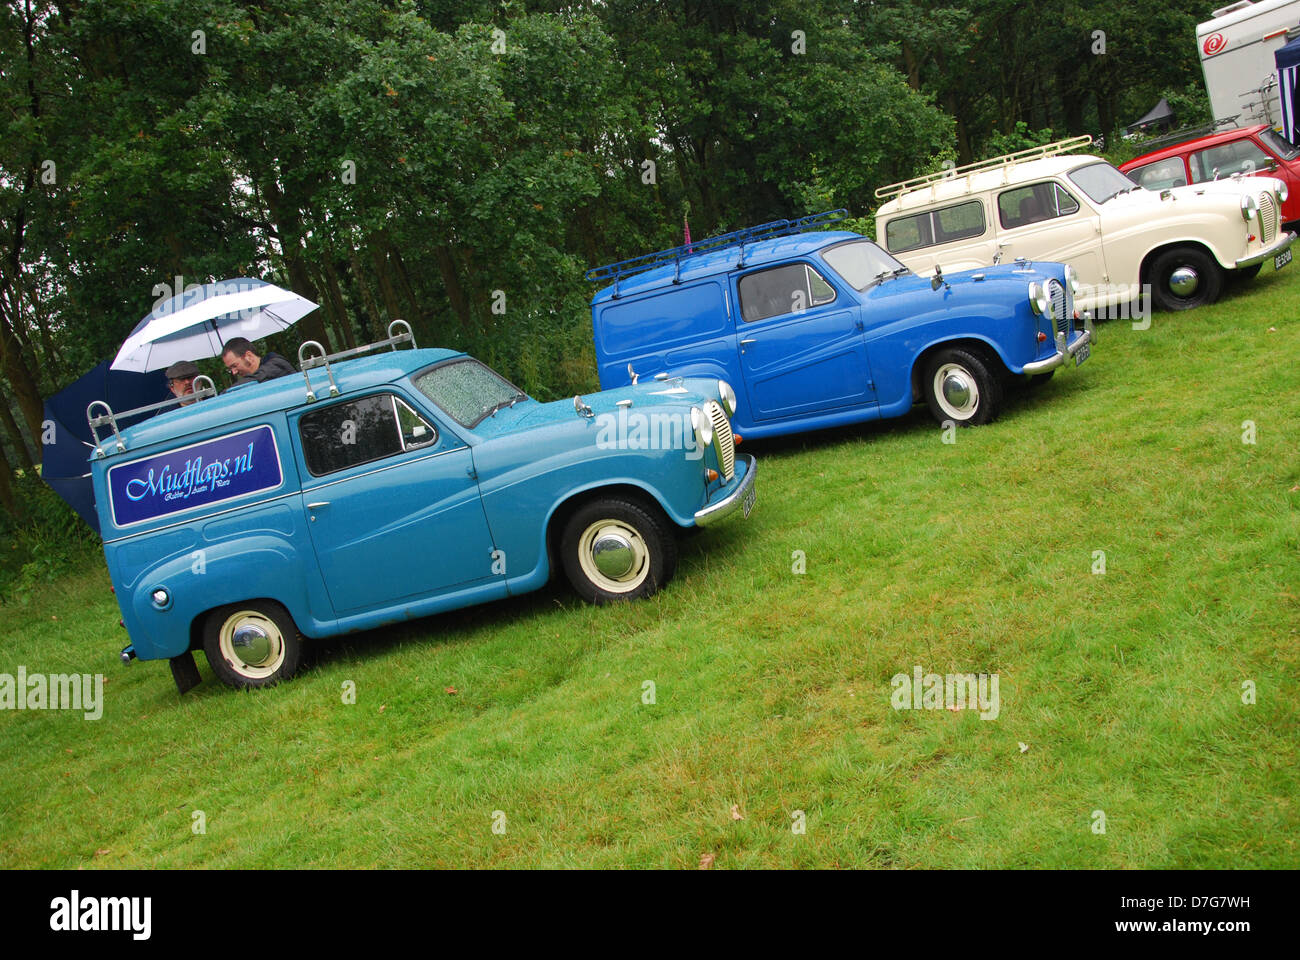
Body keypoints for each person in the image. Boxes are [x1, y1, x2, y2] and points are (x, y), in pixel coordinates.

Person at [220, 337, 297, 384]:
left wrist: (227, 393)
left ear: (249, 356)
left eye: (234, 366)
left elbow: (260, 376)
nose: (234, 372)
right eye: (230, 369)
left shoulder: (276, 364)